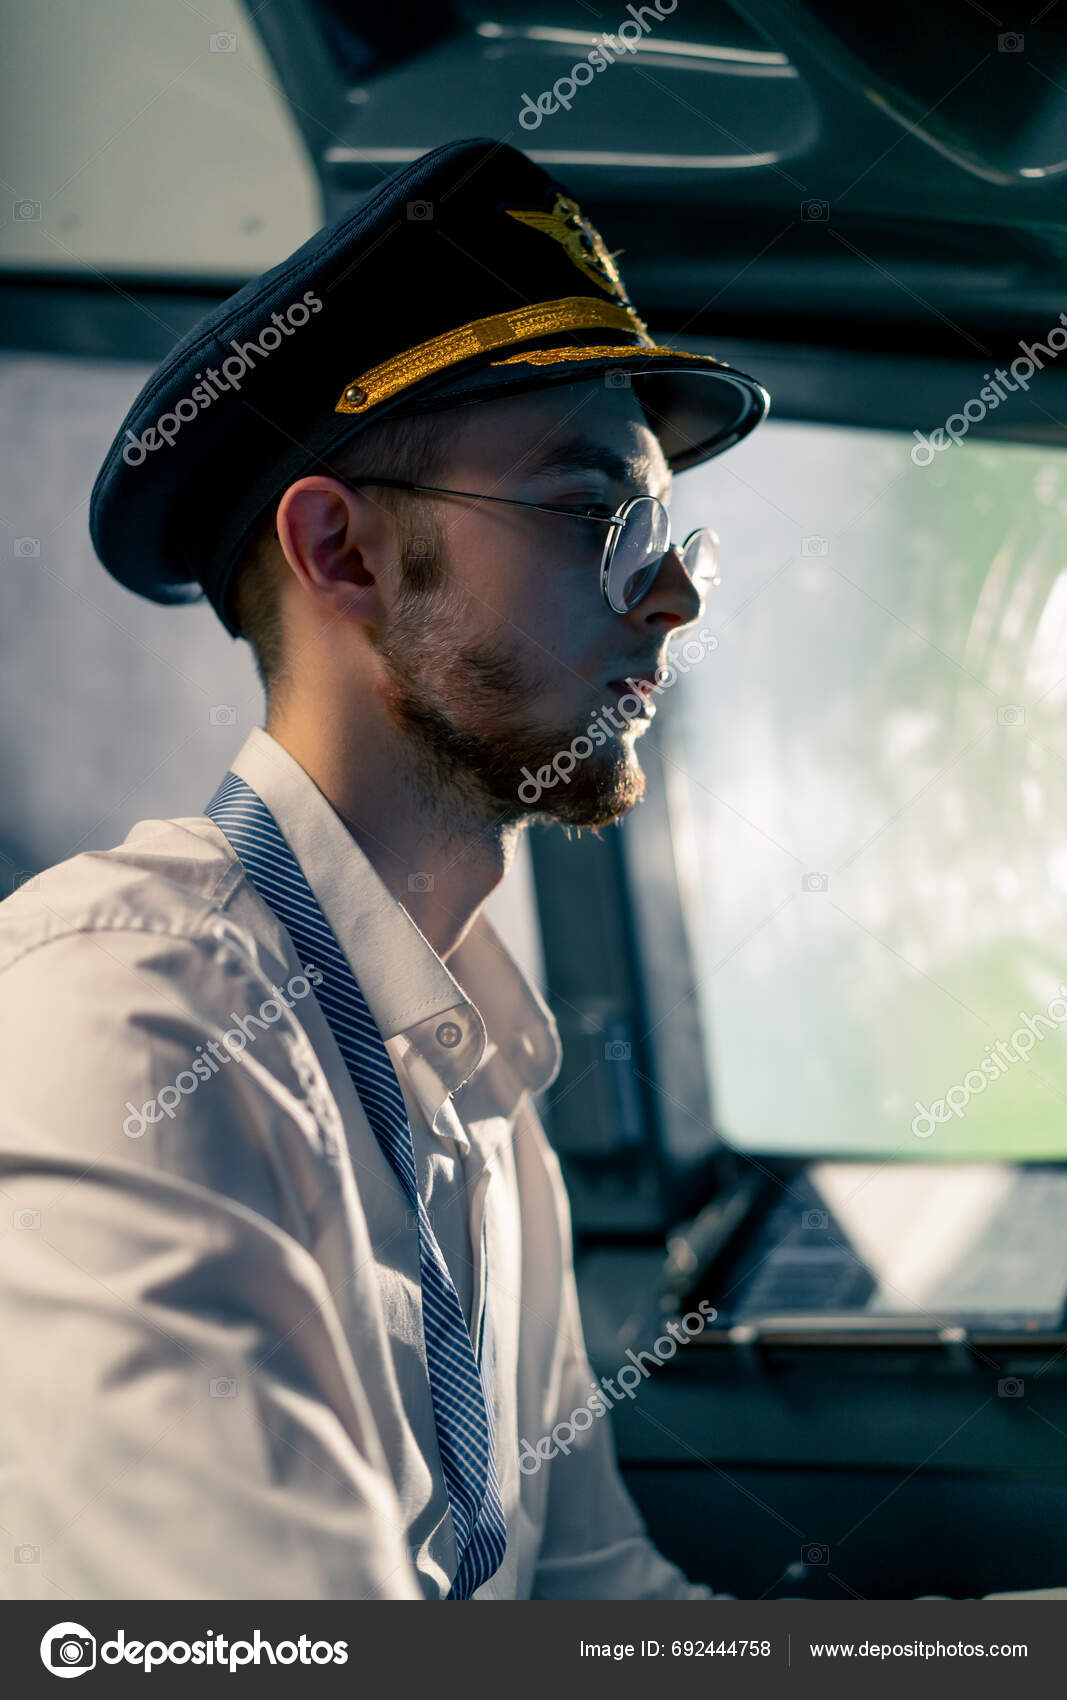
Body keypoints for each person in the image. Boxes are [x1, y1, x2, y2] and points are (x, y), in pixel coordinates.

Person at [0, 138, 771, 1600]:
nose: (669, 597)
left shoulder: (480, 1080)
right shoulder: (126, 1016)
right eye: (594, 514)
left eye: (673, 534)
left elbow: (593, 1606)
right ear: (343, 555)